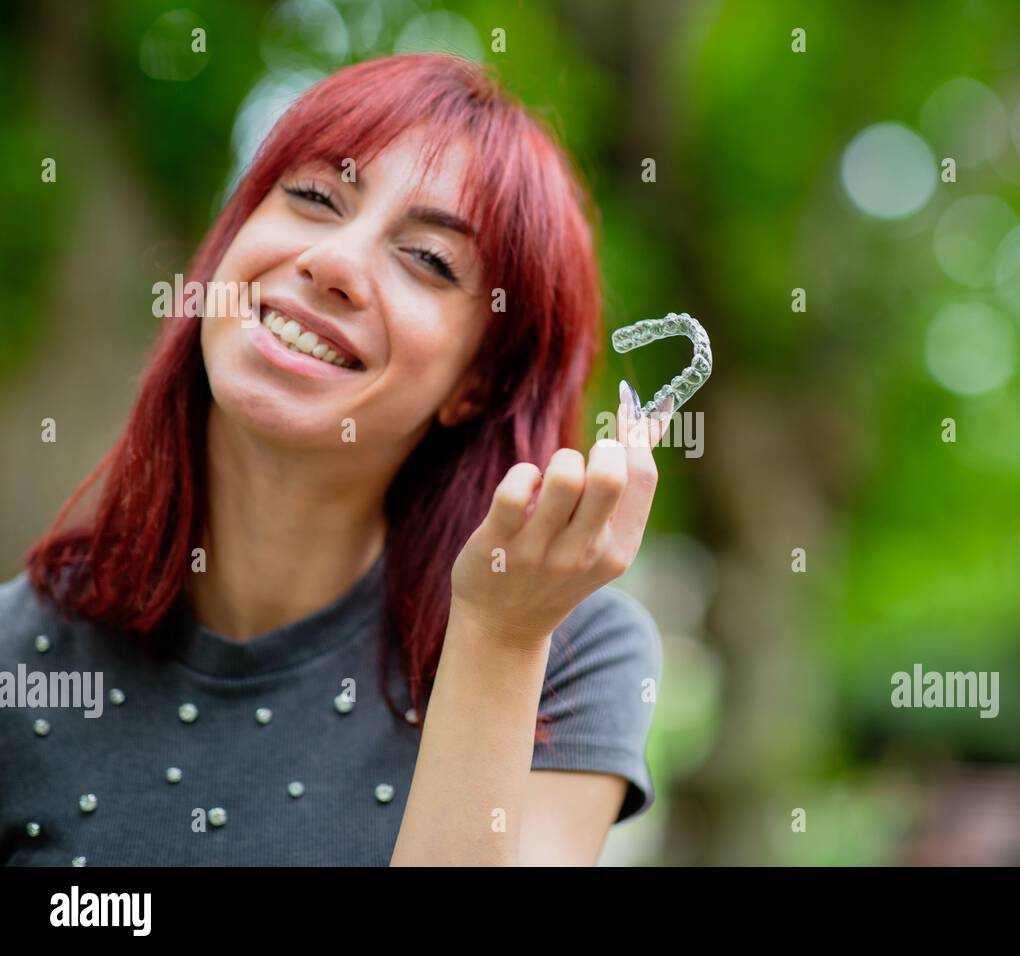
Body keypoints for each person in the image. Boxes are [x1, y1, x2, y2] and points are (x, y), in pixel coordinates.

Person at [1, 54, 669, 867]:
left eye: (428, 259)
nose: (335, 264)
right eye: (316, 198)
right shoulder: (17, 662)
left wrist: (497, 638)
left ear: (475, 384)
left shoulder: (564, 651)